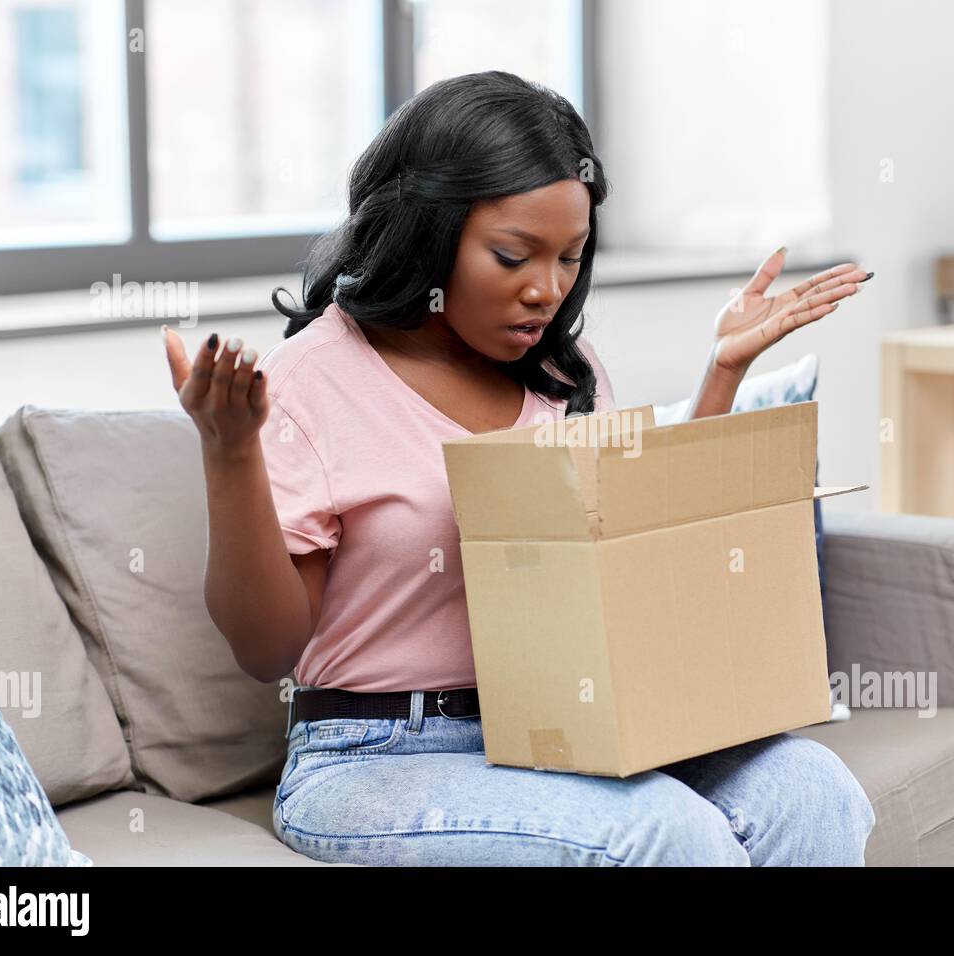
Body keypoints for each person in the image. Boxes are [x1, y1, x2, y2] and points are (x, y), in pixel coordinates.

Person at [161, 70, 874, 866]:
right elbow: (266, 650)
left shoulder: (566, 374)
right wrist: (228, 453)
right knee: (666, 834)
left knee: (812, 789)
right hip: (376, 753)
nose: (547, 290)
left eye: (570, 258)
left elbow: (632, 560)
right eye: (512, 255)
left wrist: (722, 375)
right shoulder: (314, 379)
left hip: (561, 726)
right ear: (428, 233)